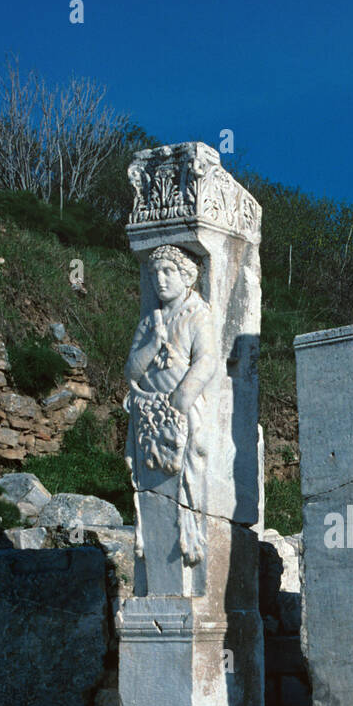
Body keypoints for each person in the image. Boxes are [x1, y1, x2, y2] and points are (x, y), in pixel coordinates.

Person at [125, 245, 216, 571]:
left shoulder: (197, 315)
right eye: (154, 274)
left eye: (168, 272)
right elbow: (131, 370)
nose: (160, 280)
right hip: (147, 415)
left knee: (186, 485)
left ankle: (188, 542)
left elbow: (206, 361)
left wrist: (180, 400)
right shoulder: (152, 321)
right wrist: (153, 343)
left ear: (187, 275)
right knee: (149, 489)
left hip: (181, 413)